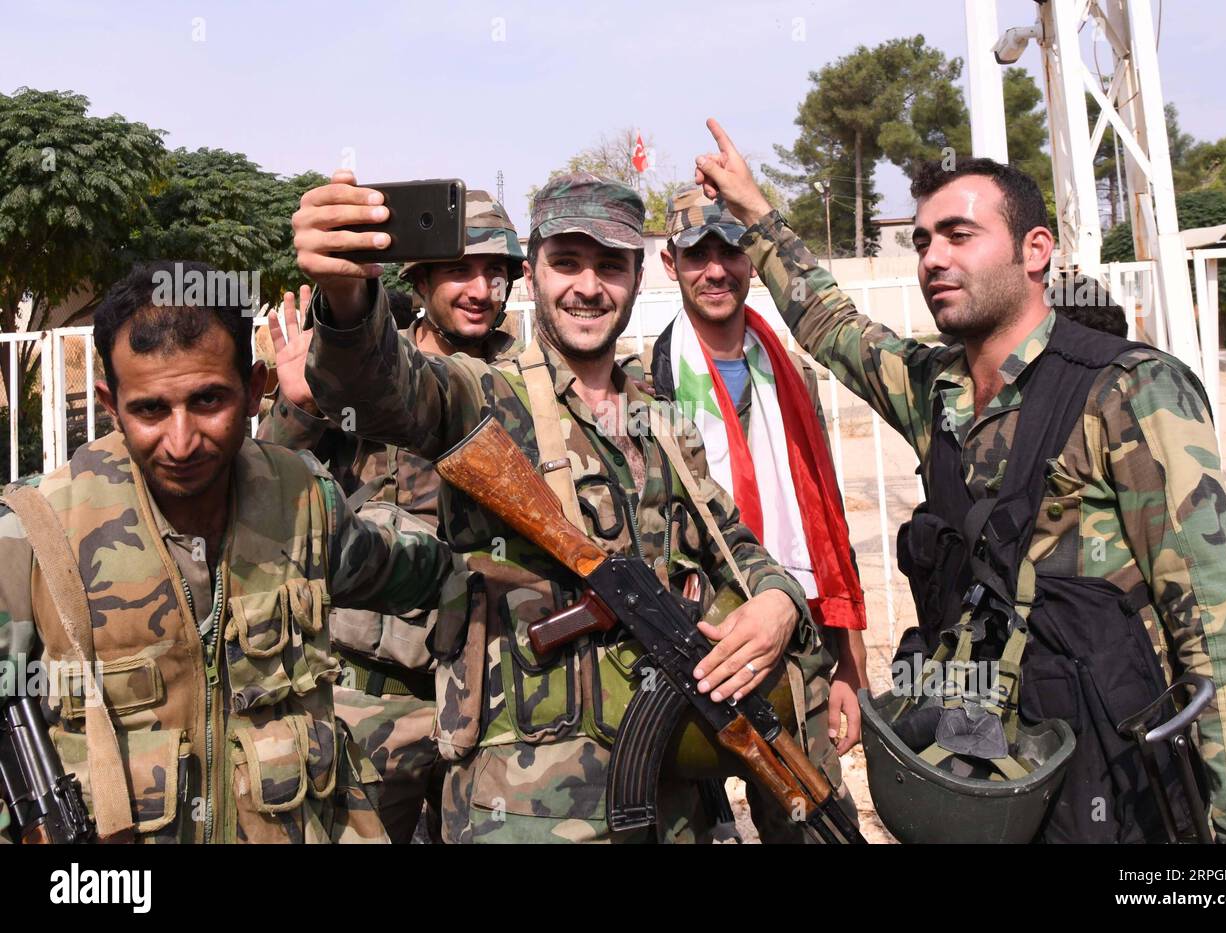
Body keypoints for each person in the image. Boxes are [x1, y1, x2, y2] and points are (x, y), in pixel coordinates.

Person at [693, 118, 1226, 844]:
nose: (934, 258)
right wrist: (757, 214)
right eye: (922, 241)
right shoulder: (932, 391)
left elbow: (1216, 637)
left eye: (958, 234)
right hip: (982, 783)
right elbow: (830, 323)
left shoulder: (1128, 391)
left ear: (1035, 249)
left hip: (1112, 784)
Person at [294, 169, 819, 843]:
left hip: (672, 805)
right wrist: (346, 294)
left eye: (610, 265)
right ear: (536, 272)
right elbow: (379, 385)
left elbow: (736, 546)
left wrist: (776, 601)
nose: (589, 286)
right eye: (567, 262)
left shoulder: (661, 417)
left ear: (637, 274)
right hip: (523, 809)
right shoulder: (488, 397)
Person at [0, 260, 454, 844]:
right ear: (112, 405)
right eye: (150, 410)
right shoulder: (35, 536)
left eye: (209, 400)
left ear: (255, 390)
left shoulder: (303, 501)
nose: (182, 441)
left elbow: (422, 575)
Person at [258, 191, 524, 844]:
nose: (481, 289)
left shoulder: (525, 380)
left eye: (498, 273)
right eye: (462, 269)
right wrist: (300, 404)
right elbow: (269, 487)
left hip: (496, 675)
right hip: (377, 685)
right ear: (423, 278)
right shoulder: (359, 366)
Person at [643, 187, 866, 842]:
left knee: (817, 827)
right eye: (696, 254)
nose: (715, 269)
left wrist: (849, 666)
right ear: (669, 263)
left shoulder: (794, 376)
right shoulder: (645, 384)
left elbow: (830, 522)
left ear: (750, 259)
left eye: (731, 250)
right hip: (696, 652)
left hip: (797, 651)